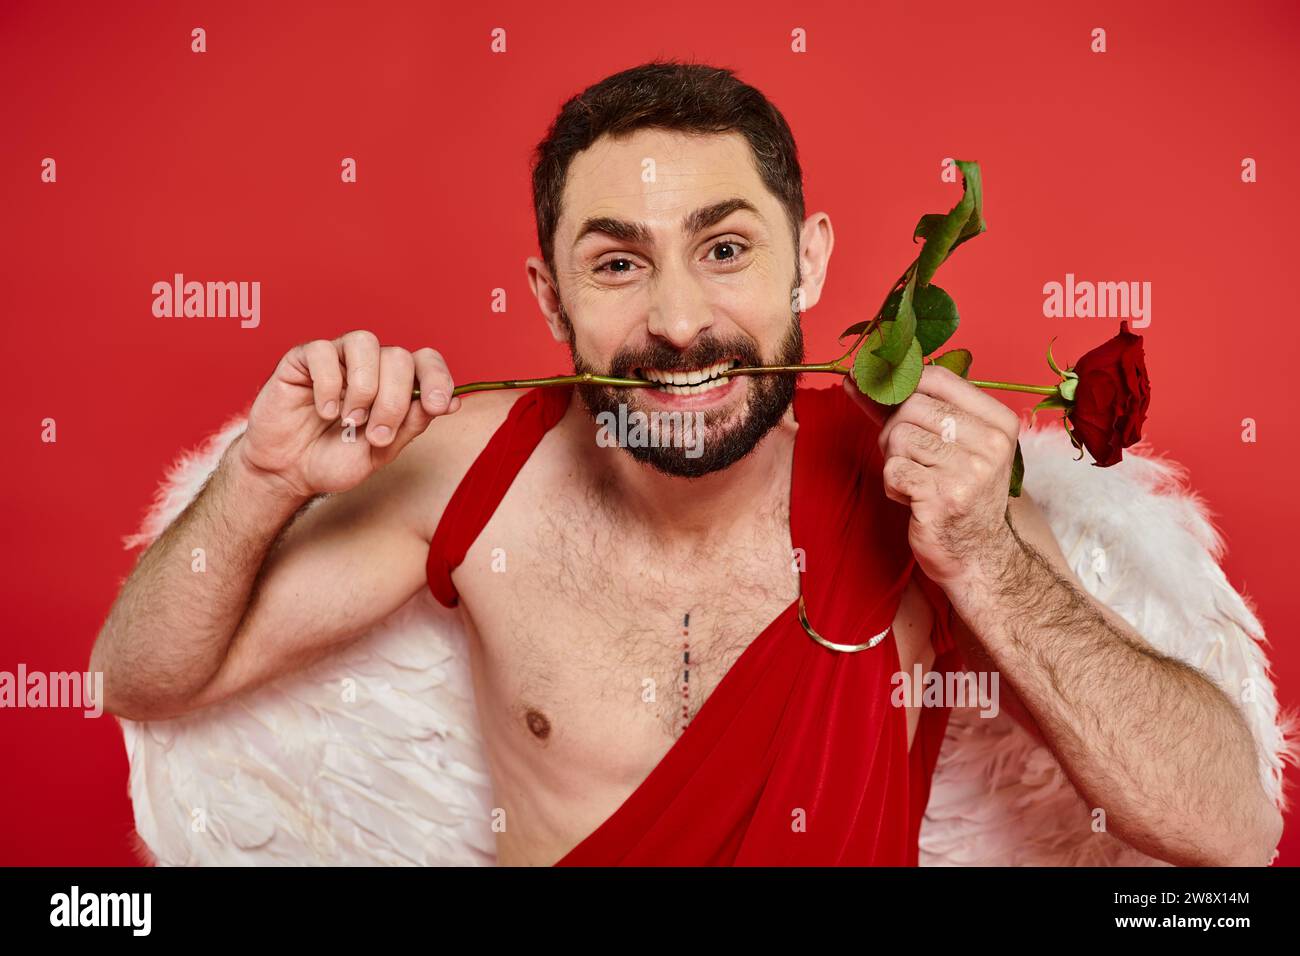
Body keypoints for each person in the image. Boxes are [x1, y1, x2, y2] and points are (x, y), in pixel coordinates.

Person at [91, 60, 1282, 867]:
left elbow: (1228, 827)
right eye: (616, 263)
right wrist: (259, 479)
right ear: (548, 296)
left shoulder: (921, 482)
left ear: (807, 261)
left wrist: (987, 562)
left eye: (723, 249)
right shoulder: (467, 467)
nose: (675, 320)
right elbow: (144, 677)